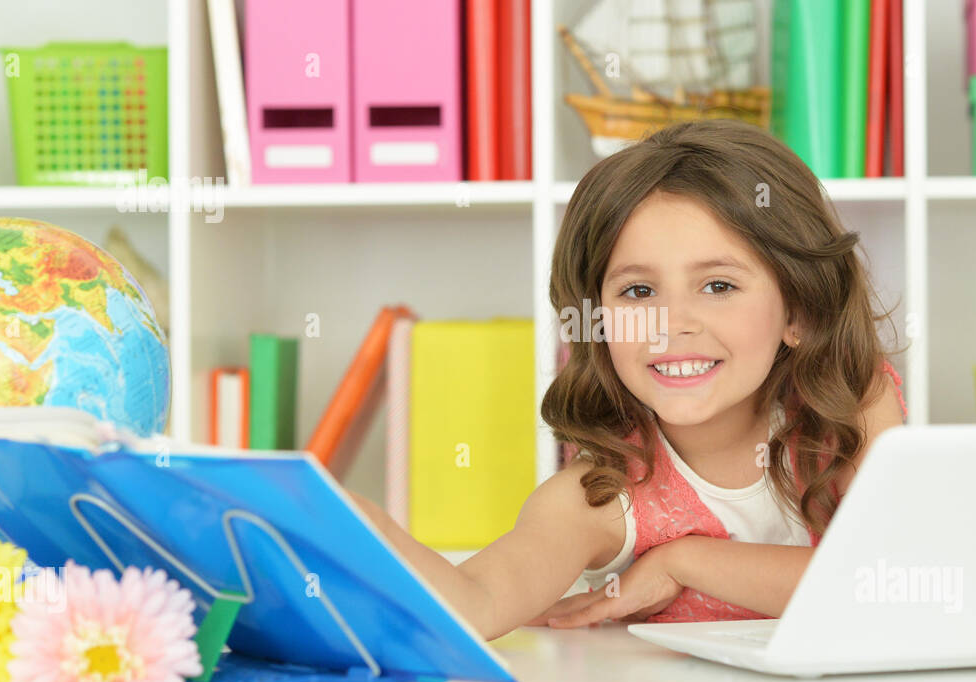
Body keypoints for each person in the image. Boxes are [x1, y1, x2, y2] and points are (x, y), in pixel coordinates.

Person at [351, 119, 906, 641]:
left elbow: (887, 582)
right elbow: (475, 602)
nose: (672, 325)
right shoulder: (598, 499)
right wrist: (362, 526)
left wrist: (684, 559)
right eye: (638, 292)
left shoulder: (854, 406)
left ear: (799, 313)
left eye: (718, 286)